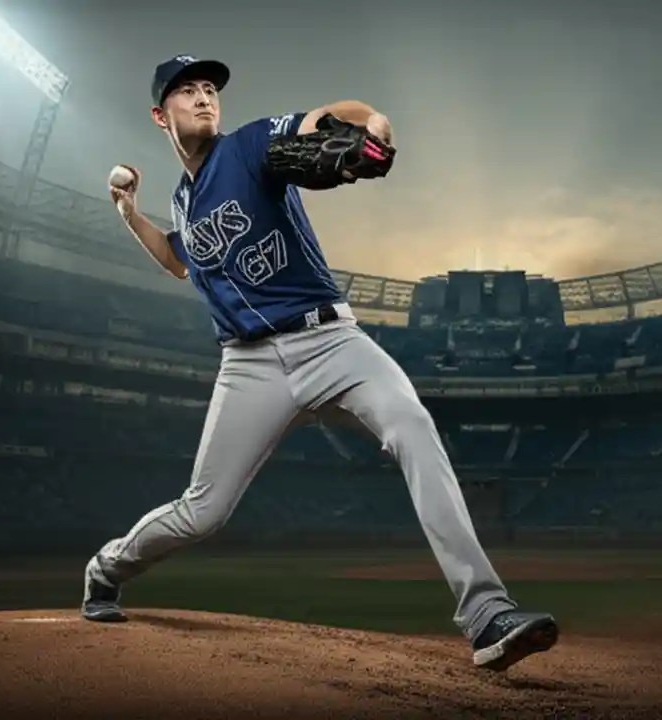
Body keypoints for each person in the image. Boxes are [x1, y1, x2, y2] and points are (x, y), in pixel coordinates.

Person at [82, 54, 557, 672]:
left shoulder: (250, 146)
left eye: (208, 89)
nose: (203, 98)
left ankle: (487, 612)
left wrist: (374, 124)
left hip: (333, 342)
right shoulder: (183, 200)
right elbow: (178, 260)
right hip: (248, 365)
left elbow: (331, 118)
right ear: (159, 114)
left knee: (413, 426)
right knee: (203, 510)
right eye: (185, 91)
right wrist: (127, 214)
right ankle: (107, 567)